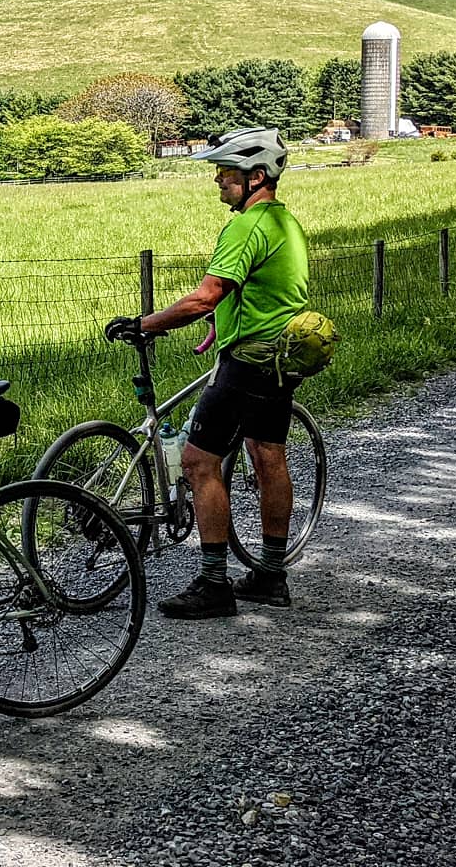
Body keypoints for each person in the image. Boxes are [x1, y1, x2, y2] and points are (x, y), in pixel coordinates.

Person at [106, 127, 309, 619]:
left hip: (248, 364)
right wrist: (227, 321)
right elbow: (270, 291)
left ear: (255, 176)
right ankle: (271, 574)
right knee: (268, 455)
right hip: (280, 357)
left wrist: (143, 324)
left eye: (226, 172)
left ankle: (214, 583)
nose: (218, 180)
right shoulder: (285, 223)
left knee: (198, 462)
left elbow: (205, 296)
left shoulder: (245, 227)